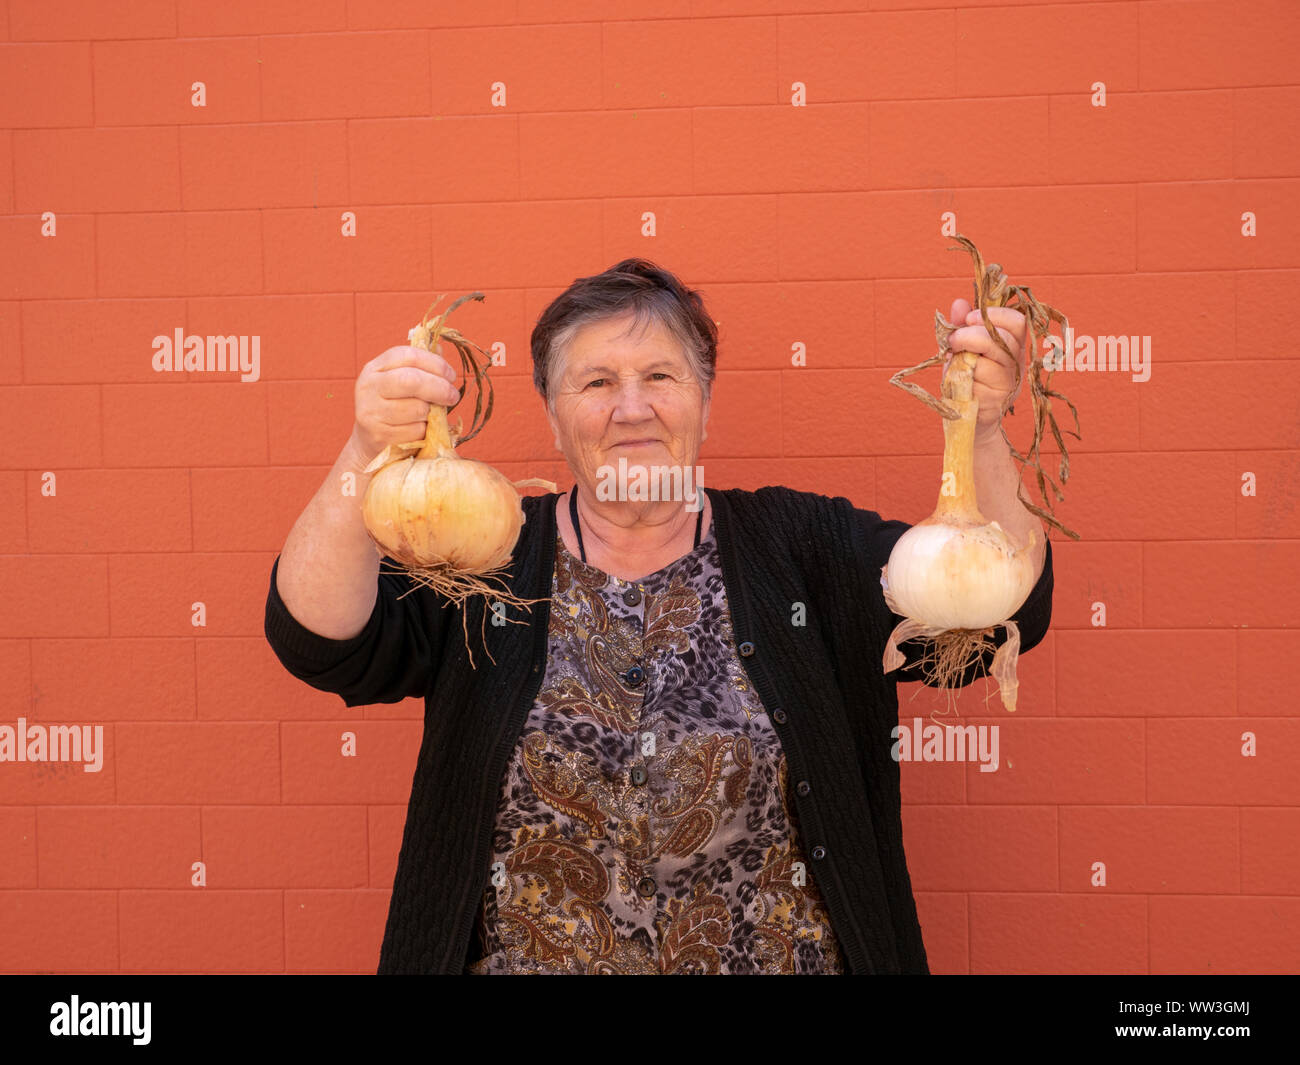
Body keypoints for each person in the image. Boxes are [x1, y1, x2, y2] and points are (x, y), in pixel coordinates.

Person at [264, 258, 1053, 974]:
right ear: (552, 414)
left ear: (705, 401)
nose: (631, 407)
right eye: (596, 382)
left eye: (661, 376)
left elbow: (1000, 611)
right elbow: (317, 639)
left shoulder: (804, 546)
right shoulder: (484, 559)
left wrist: (982, 427)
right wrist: (364, 449)